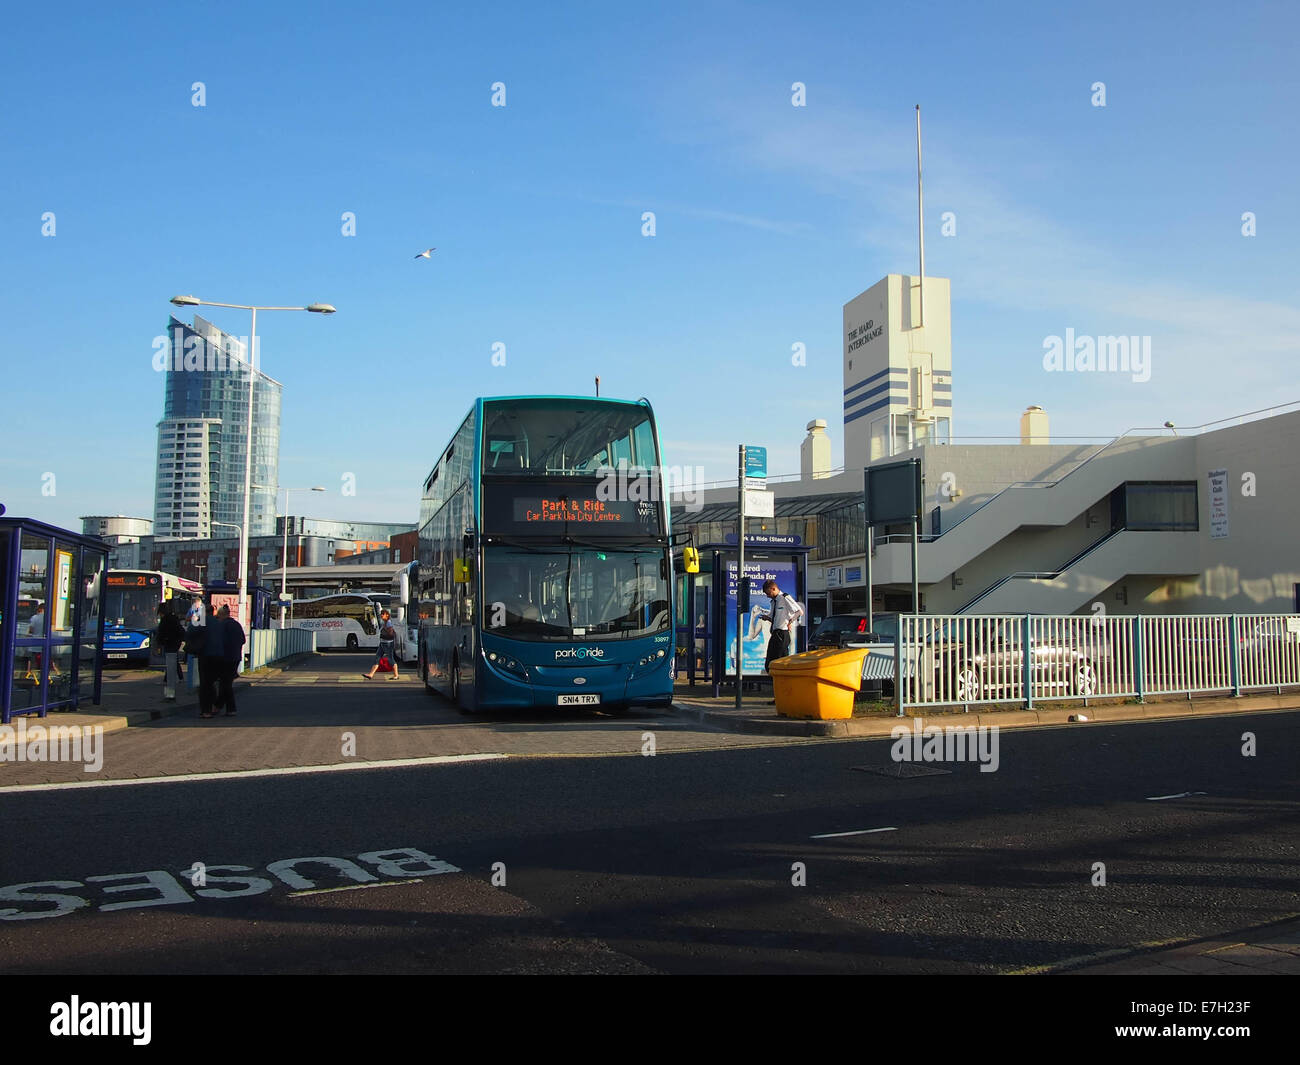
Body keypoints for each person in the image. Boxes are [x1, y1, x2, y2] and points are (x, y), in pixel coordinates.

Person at [757, 578, 803, 689]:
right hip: (775, 633)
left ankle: (785, 689)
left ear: (773, 589)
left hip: (782, 634)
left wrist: (790, 622)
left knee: (780, 663)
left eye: (768, 593)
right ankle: (778, 689)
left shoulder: (784, 598)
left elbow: (799, 611)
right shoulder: (773, 601)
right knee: (770, 663)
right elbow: (775, 618)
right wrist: (767, 618)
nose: (768, 596)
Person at [197, 600, 226, 719]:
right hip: (219, 656)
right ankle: (214, 706)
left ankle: (206, 710)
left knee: (204, 683)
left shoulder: (202, 621)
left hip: (205, 655)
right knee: (212, 682)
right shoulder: (219, 623)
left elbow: (190, 633)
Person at [214, 604, 245, 716]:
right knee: (226, 683)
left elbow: (218, 641)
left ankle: (229, 708)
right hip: (236, 657)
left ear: (221, 615)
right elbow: (243, 640)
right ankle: (219, 706)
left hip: (225, 657)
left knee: (225, 683)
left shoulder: (222, 625)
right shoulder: (236, 624)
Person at [157, 603, 186, 701]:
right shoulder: (174, 618)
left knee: (170, 667)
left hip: (169, 644)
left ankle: (170, 695)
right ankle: (171, 691)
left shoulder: (165, 620)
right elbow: (181, 631)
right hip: (175, 645)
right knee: (172, 666)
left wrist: (160, 642)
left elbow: (160, 633)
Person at [363, 609, 401, 680]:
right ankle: (371, 674)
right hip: (383, 643)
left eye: (383, 614)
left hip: (388, 643)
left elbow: (390, 632)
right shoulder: (385, 622)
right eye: (381, 614)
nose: (381, 615)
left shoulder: (388, 622)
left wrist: (385, 628)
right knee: (377, 658)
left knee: (390, 659)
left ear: (387, 615)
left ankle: (396, 675)